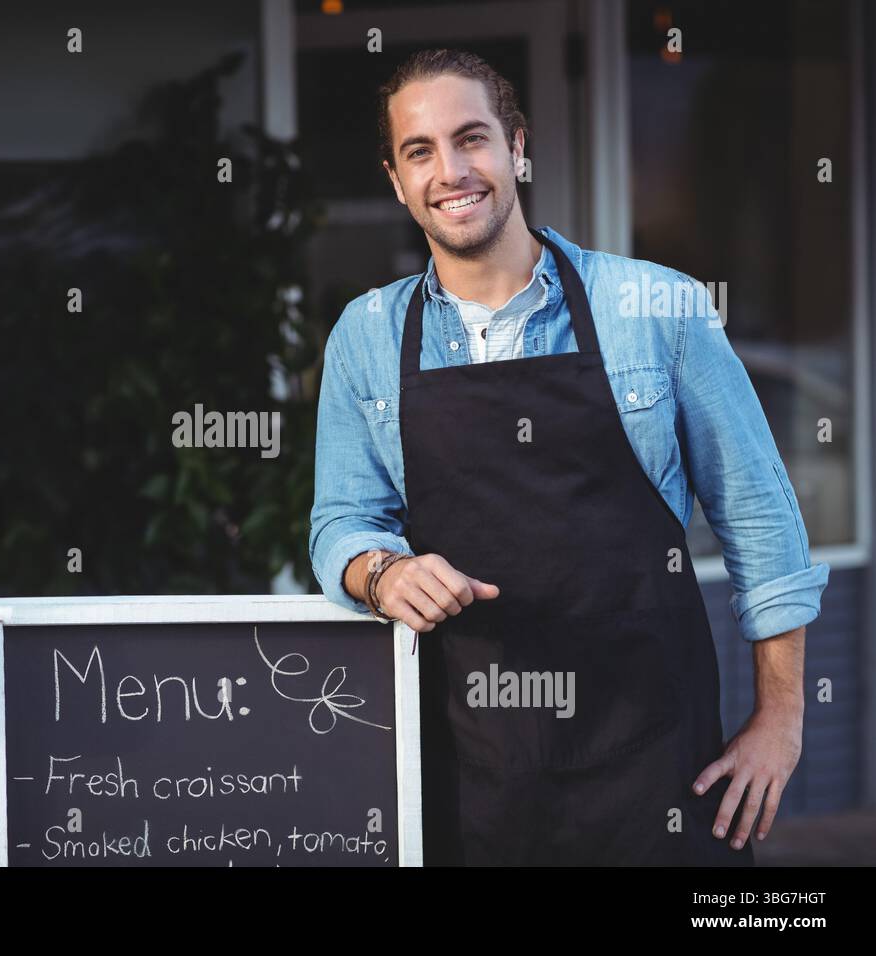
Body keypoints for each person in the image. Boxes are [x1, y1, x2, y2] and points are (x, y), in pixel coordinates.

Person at [307, 48, 829, 865]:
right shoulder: (365, 337)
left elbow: (762, 521)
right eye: (420, 151)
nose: (451, 170)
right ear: (397, 180)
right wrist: (383, 573)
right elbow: (341, 521)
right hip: (468, 774)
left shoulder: (656, 308)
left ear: (518, 147)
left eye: (472, 138)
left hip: (657, 767)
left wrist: (782, 722)